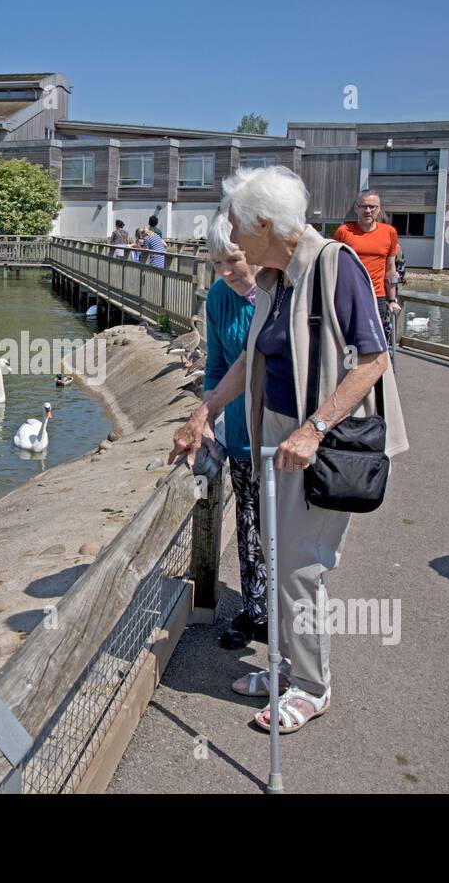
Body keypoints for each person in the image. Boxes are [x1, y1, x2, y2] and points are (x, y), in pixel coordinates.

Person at [170, 165, 407, 734]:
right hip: (277, 430)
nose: (235, 243)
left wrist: (314, 427)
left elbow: (374, 361)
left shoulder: (334, 266)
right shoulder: (275, 279)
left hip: (324, 443)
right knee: (276, 559)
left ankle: (311, 685)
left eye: (239, 229)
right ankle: (282, 665)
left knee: (300, 566)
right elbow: (250, 361)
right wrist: (202, 412)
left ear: (267, 225)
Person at [205, 210, 266, 648]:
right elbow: (216, 365)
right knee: (246, 522)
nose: (226, 272)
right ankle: (255, 610)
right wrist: (206, 417)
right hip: (242, 431)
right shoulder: (217, 297)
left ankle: (290, 623)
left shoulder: (279, 294)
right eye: (216, 263)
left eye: (233, 260)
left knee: (279, 529)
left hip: (280, 435)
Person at [334, 189, 401, 358]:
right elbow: (332, 263)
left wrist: (392, 300)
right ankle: (348, 373)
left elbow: (390, 269)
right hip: (348, 294)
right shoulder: (344, 231)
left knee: (374, 339)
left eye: (372, 207)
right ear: (356, 208)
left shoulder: (389, 232)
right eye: (364, 206)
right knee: (347, 338)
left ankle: (374, 378)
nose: (368, 211)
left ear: (379, 209)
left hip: (376, 296)